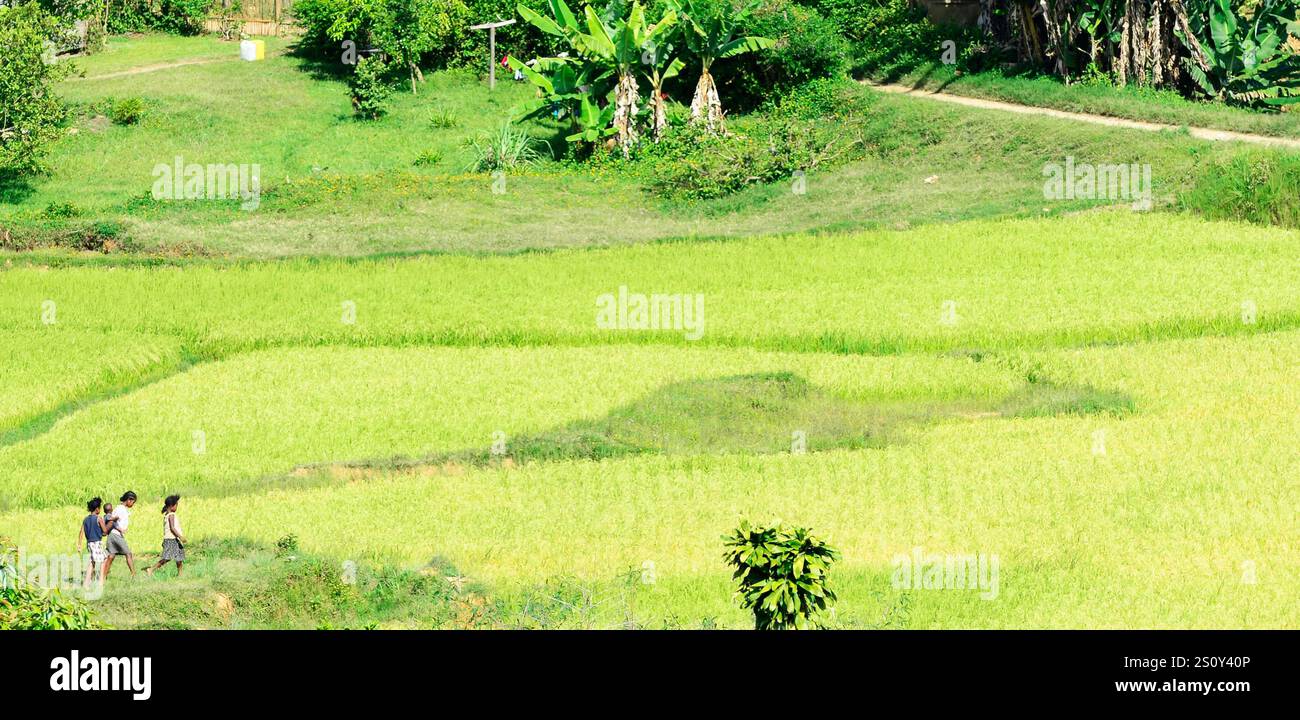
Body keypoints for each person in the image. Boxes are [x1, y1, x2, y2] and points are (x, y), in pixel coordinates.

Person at [75, 497, 110, 590]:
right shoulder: (99, 518)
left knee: (92, 562)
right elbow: (105, 531)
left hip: (89, 543)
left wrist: (79, 545)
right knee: (104, 560)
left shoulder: (85, 519)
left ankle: (86, 584)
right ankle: (101, 582)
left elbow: (81, 532)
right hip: (97, 543)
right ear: (97, 509)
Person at [147, 495, 186, 577]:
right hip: (171, 539)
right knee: (167, 557)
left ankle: (180, 574)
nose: (176, 507)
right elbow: (172, 528)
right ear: (172, 506)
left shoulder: (167, 514)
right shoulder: (171, 514)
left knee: (179, 556)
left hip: (174, 539)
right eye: (176, 505)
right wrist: (180, 537)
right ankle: (151, 569)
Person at [104, 491, 137, 578]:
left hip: (112, 535)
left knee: (111, 556)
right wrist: (120, 529)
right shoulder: (120, 509)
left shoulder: (121, 508)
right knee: (128, 554)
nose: (133, 504)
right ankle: (134, 574)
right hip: (116, 535)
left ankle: (104, 575)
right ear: (129, 500)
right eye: (133, 502)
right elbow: (112, 521)